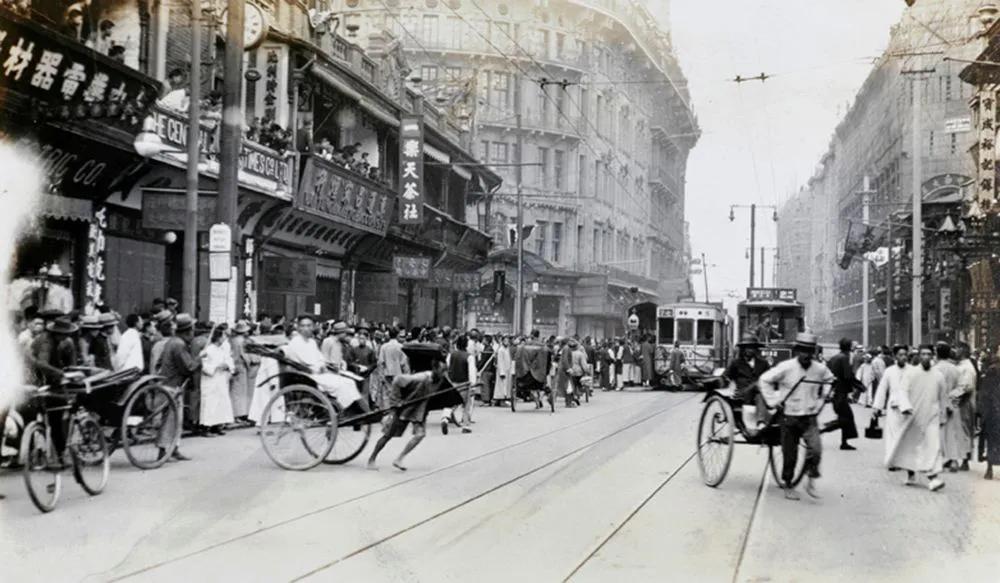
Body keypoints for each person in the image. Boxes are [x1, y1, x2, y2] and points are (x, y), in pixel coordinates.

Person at [758, 333, 834, 500]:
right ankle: (788, 484)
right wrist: (773, 401)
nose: (806, 355)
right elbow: (764, 379)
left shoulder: (819, 369)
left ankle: (811, 479)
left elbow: (830, 380)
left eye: (809, 351)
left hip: (809, 417)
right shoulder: (786, 367)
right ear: (797, 351)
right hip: (789, 416)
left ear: (813, 352)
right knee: (789, 454)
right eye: (803, 351)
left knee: (816, 450)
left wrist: (824, 397)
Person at [367, 358, 447, 471]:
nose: (444, 373)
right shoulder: (421, 377)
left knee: (420, 434)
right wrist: (396, 402)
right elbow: (398, 380)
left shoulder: (439, 381)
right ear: (435, 369)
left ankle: (399, 459)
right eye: (442, 370)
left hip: (419, 410)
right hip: (404, 408)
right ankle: (371, 459)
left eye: (445, 370)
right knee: (388, 435)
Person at [887, 345, 948, 492]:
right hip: (913, 416)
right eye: (923, 354)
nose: (926, 357)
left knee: (933, 446)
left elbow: (943, 397)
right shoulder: (911, 373)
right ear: (919, 356)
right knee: (911, 446)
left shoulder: (938, 376)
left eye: (929, 354)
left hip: (932, 417)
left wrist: (943, 415)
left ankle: (933, 478)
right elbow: (903, 391)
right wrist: (905, 407)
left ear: (933, 356)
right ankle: (911, 473)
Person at [283, 315, 365, 413]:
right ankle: (341, 409)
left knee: (349, 382)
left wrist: (322, 365)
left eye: (309, 326)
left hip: (319, 371)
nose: (306, 329)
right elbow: (306, 362)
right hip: (309, 375)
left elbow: (320, 358)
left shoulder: (311, 342)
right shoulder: (295, 342)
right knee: (343, 384)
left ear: (313, 327)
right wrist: (320, 367)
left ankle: (352, 408)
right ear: (298, 327)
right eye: (303, 326)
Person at [156, 313, 198, 461]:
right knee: (170, 420)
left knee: (176, 420)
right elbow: (189, 367)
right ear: (187, 331)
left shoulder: (171, 342)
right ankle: (163, 451)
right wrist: (199, 359)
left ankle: (174, 448)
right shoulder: (179, 345)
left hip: (168, 384)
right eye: (192, 330)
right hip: (172, 387)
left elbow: (159, 362)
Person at [873, 345, 911, 471]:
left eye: (905, 354)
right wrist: (877, 407)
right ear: (895, 356)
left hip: (908, 406)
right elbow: (882, 388)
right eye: (900, 355)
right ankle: (892, 461)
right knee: (892, 433)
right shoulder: (889, 371)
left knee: (904, 434)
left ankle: (903, 460)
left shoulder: (912, 370)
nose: (903, 357)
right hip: (893, 406)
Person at [725, 334, 771, 431]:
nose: (750, 350)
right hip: (743, 395)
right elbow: (726, 377)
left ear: (756, 350)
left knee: (761, 391)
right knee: (757, 386)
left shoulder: (763, 363)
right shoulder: (736, 363)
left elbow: (770, 379)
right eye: (748, 347)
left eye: (753, 348)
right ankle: (761, 421)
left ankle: (761, 422)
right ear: (743, 349)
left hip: (760, 395)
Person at [199, 324, 235, 435]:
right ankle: (206, 427)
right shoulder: (208, 350)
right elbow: (204, 365)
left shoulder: (222, 349)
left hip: (221, 379)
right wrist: (215, 368)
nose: (225, 338)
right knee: (210, 403)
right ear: (218, 337)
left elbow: (229, 360)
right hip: (210, 380)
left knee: (221, 403)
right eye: (223, 336)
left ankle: (217, 426)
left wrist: (228, 366)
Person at [825, 338, 860, 450]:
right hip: (841, 392)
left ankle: (844, 442)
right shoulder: (844, 358)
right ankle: (824, 428)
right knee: (846, 418)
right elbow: (848, 376)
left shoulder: (834, 358)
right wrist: (859, 385)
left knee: (844, 417)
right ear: (849, 347)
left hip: (835, 391)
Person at [935, 342, 964, 471]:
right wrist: (953, 398)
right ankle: (953, 461)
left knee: (938, 433)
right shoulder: (955, 369)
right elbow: (961, 387)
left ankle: (938, 459)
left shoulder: (935, 369)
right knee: (952, 432)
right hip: (953, 404)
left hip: (938, 404)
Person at [954, 342, 978, 472]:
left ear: (963, 351)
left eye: (957, 348)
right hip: (962, 401)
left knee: (965, 431)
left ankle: (965, 460)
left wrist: (952, 396)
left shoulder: (967, 367)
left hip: (965, 402)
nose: (955, 351)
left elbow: (966, 387)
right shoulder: (961, 366)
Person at [443, 335, 474, 434]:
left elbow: (447, 367)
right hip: (464, 383)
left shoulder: (451, 355)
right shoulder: (469, 356)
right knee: (466, 404)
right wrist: (472, 385)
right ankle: (466, 426)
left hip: (452, 382)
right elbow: (471, 372)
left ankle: (445, 418)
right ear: (466, 344)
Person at [978, 354, 1000, 480]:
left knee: (990, 442)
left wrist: (982, 413)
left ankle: (989, 469)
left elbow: (984, 395)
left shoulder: (989, 372)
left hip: (991, 413)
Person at [516, 329, 551, 408]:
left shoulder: (524, 346)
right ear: (538, 336)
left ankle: (537, 401)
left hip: (526, 373)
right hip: (540, 373)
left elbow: (518, 358)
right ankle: (540, 399)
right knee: (541, 386)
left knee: (531, 388)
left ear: (531, 335)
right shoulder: (543, 346)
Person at [229, 320, 253, 424]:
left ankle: (236, 414)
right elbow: (244, 356)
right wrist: (249, 365)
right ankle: (238, 414)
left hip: (233, 365)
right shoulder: (242, 341)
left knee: (235, 391)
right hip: (241, 366)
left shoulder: (232, 340)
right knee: (240, 392)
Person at [494, 336, 513, 405]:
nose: (506, 342)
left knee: (506, 386)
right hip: (502, 370)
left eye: (507, 341)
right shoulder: (501, 350)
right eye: (505, 341)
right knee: (501, 386)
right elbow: (500, 361)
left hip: (508, 370)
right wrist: (502, 372)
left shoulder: (508, 349)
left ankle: (505, 399)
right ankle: (500, 400)